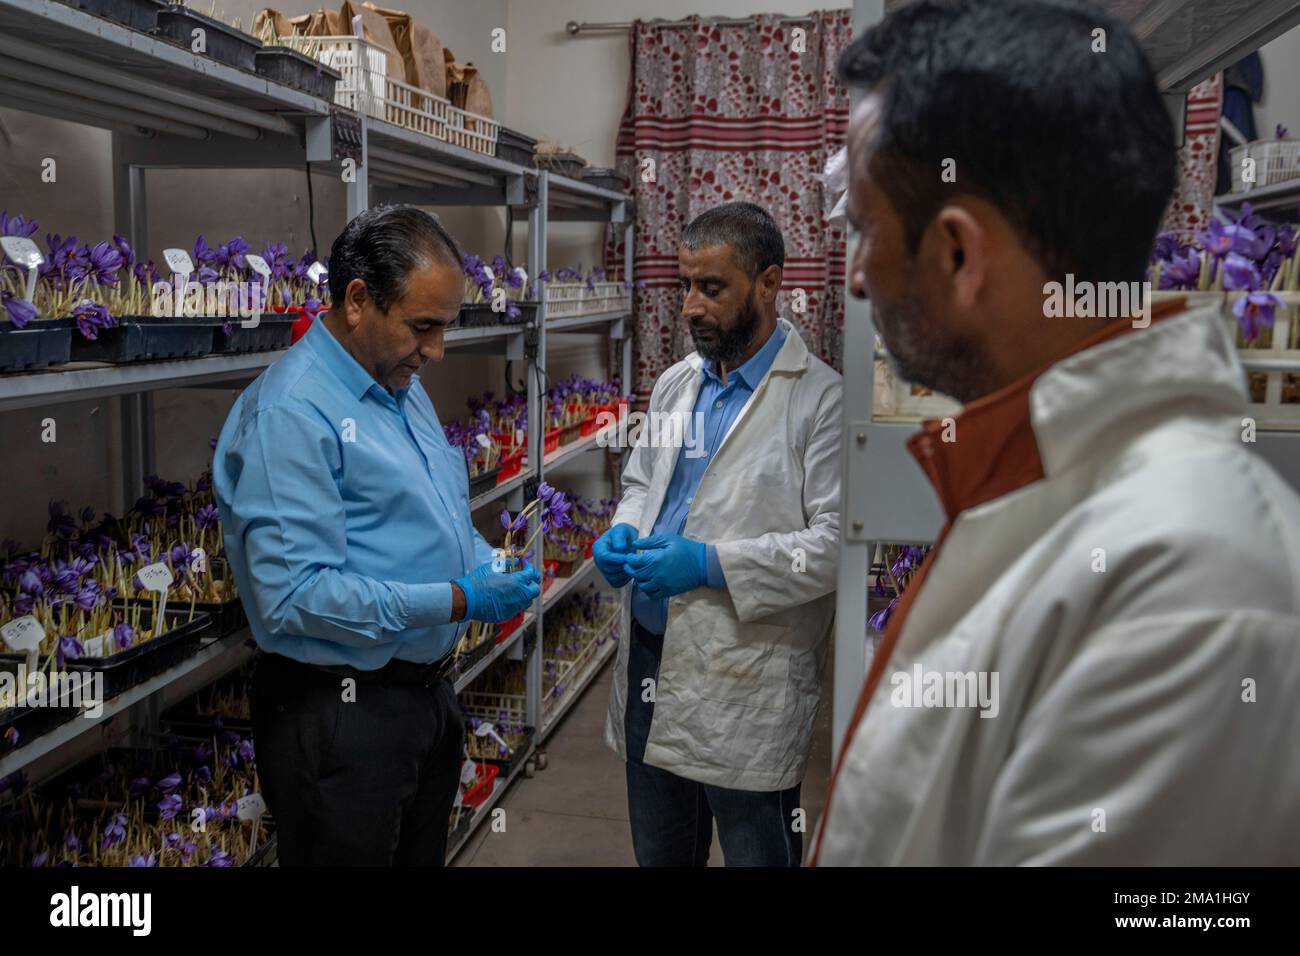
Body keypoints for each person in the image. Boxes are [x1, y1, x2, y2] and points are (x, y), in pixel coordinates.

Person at [813, 0, 1300, 865]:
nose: (853, 277)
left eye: (861, 229)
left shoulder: (1194, 587)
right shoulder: (1042, 474)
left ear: (960, 257)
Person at [214, 205, 540, 866]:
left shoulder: (399, 382)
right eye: (424, 327)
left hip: (421, 700)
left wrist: (490, 565)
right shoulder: (293, 414)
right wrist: (459, 598)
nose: (437, 350)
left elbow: (435, 512)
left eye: (444, 328)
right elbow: (296, 596)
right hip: (342, 719)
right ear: (358, 300)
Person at [592, 201, 843, 866]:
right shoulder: (678, 386)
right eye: (684, 287)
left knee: (756, 846)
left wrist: (707, 563)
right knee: (663, 850)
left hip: (744, 671)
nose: (691, 308)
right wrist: (622, 533)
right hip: (652, 652)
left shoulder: (821, 401)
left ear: (768, 282)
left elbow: (832, 549)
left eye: (712, 288)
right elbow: (645, 485)